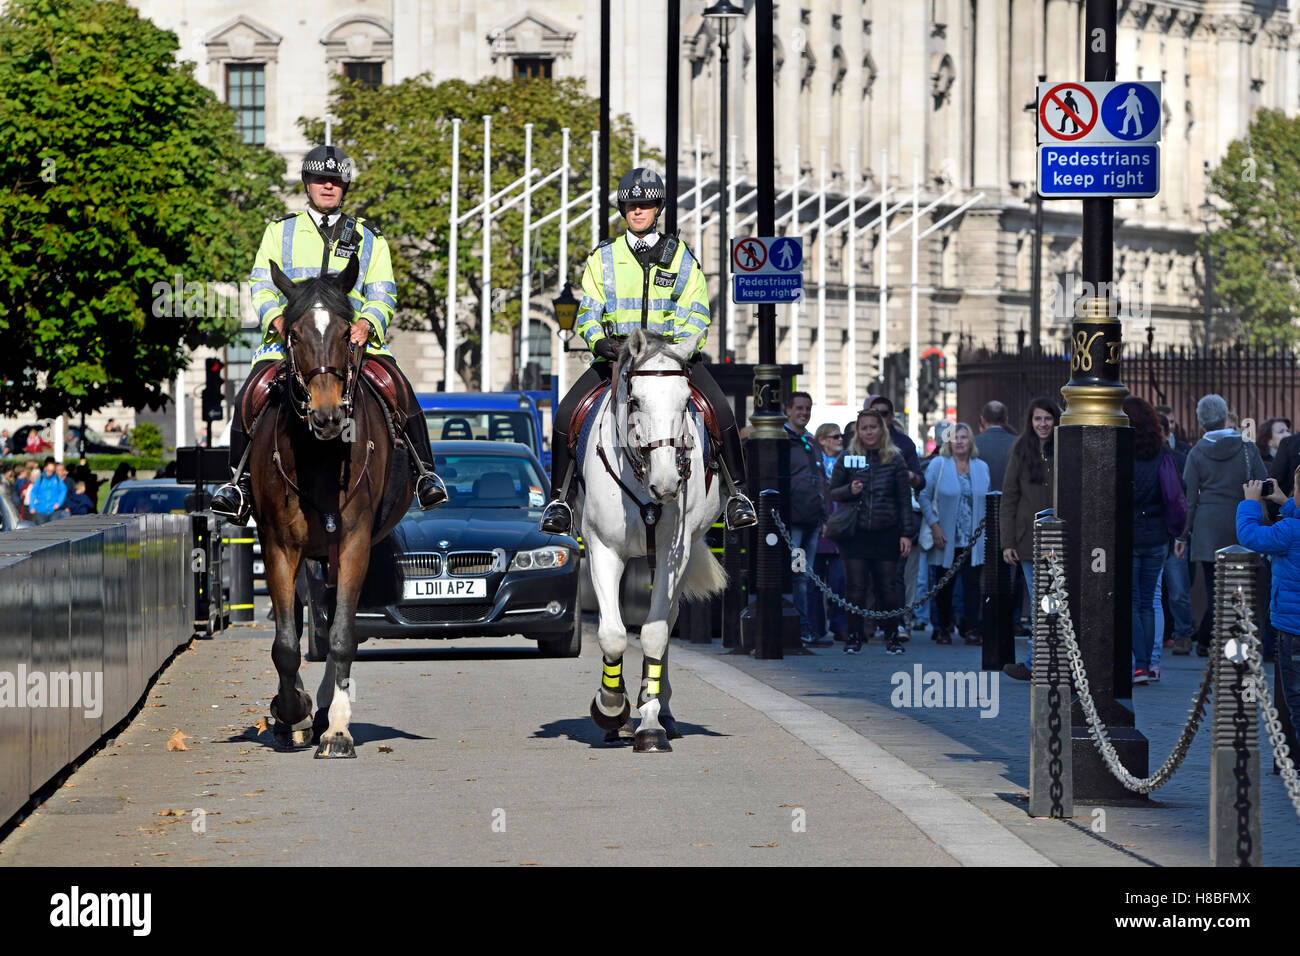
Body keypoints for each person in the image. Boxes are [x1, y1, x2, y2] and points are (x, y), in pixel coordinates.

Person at [211, 144, 446, 522]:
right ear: (307, 183)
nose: (328, 186)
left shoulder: (370, 237)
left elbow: (383, 290)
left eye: (336, 181)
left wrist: (367, 322)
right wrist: (277, 320)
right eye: (320, 179)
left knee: (398, 386)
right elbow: (261, 284)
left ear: (345, 187)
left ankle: (425, 473)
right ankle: (236, 484)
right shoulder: (279, 231)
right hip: (292, 341)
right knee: (250, 395)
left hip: (351, 342)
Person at [541, 166, 755, 534]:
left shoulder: (683, 258)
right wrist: (600, 341)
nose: (637, 211)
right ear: (623, 211)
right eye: (630, 206)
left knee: (721, 411)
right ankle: (559, 501)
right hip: (617, 359)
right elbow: (588, 312)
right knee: (565, 415)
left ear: (658, 209)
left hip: (672, 362)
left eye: (645, 204)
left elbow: (697, 313)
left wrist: (681, 349)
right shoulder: (602, 258)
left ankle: (737, 494)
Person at [1175, 393, 1267, 656]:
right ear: (1226, 416)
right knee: (1241, 587)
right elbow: (1262, 481)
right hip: (1241, 520)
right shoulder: (1248, 448)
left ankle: (1213, 641)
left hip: (1207, 527)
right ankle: (1232, 641)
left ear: (1201, 421)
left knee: (1215, 588)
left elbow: (1189, 499)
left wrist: (1182, 536)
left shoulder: (1196, 452)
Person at [828, 408, 916, 655]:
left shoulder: (895, 459)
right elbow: (832, 491)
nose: (868, 432)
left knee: (887, 588)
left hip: (886, 531)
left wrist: (906, 533)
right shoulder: (847, 457)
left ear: (882, 429)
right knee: (855, 588)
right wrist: (850, 491)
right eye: (864, 427)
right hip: (855, 533)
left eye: (873, 427)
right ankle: (855, 637)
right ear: (858, 430)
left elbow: (904, 500)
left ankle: (892, 636)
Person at [1236, 477, 1300, 767]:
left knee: (1295, 698)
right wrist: (1285, 501)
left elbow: (1250, 536)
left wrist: (1251, 502)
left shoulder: (1290, 530)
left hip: (1292, 627)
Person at [1124, 396, 1185, 684]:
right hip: (1158, 536)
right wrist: (1175, 532)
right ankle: (1150, 664)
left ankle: (1139, 664)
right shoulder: (1163, 455)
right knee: (1150, 601)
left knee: (1134, 602)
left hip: (1129, 535)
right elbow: (1174, 497)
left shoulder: (1121, 453)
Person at [1000, 397, 1060, 680]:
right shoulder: (1021, 450)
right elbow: (1009, 498)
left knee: (1056, 602)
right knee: (1040, 602)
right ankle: (1036, 662)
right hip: (1028, 539)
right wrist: (1007, 541)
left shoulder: (1064, 446)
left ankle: (1042, 661)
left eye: (1047, 418)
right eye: (1038, 419)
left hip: (1059, 536)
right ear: (1030, 421)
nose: (1043, 424)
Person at [920, 422, 989, 645]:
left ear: (971, 442)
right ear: (949, 441)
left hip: (973, 539)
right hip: (945, 537)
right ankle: (942, 627)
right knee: (943, 585)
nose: (959, 441)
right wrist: (934, 526)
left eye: (964, 437)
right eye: (955, 437)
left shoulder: (981, 467)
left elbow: (987, 499)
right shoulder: (939, 464)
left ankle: (972, 628)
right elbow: (924, 497)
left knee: (972, 586)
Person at [782, 392, 829, 645]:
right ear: (788, 410)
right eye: (799, 407)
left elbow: (819, 482)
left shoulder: (809, 442)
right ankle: (800, 626)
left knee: (806, 575)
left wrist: (823, 518)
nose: (804, 412)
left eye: (808, 408)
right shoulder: (785, 441)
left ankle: (805, 625)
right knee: (798, 575)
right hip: (794, 521)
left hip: (811, 520)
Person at [1156, 411, 1195, 659]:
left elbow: (1186, 498)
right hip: (1154, 533)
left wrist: (1182, 532)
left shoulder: (1179, 458)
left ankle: (1183, 633)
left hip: (1173, 534)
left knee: (1179, 589)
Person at [809, 422, 848, 643]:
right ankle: (815, 627)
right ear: (822, 440)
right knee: (813, 582)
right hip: (818, 528)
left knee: (839, 581)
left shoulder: (846, 463)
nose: (840, 439)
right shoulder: (813, 463)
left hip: (840, 532)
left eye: (840, 435)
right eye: (835, 436)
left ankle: (839, 624)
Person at [974, 401, 1017, 493]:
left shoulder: (973, 443)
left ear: (982, 420)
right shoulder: (1018, 443)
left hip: (983, 501)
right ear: (1006, 420)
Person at [27, 457, 68, 524]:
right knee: (42, 531)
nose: (50, 472)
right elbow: (33, 492)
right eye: (48, 470)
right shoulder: (40, 479)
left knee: (52, 530)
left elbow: (63, 490)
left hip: (53, 511)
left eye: (52, 471)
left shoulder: (57, 479)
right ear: (45, 468)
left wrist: (59, 502)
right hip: (40, 511)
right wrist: (32, 506)